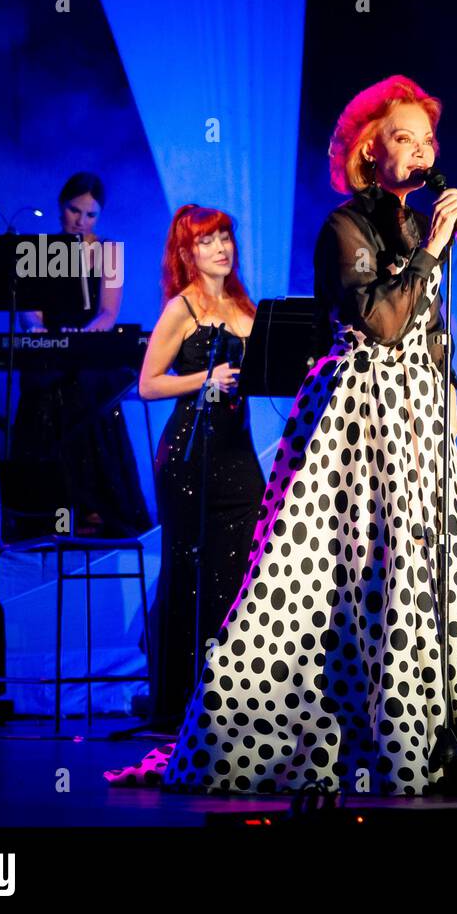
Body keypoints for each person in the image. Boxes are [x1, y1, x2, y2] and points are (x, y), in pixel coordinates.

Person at [106, 75, 457, 795]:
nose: (422, 150)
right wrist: (433, 249)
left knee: (424, 571)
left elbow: (426, 329)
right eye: (404, 138)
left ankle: (432, 728)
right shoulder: (344, 228)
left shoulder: (418, 229)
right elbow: (381, 325)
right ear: (369, 152)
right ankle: (330, 732)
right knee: (339, 572)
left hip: (417, 420)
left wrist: (442, 386)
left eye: (427, 139)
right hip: (355, 418)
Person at [136, 204, 265, 723]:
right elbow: (148, 384)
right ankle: (179, 704)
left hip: (238, 454)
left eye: (226, 238)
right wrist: (202, 381)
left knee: (242, 572)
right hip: (191, 455)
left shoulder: (246, 307)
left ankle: (234, 700)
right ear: (187, 252)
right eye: (208, 241)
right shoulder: (180, 310)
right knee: (191, 571)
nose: (221, 248)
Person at [11, 172, 151, 538]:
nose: (81, 221)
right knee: (41, 393)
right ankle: (41, 510)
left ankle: (93, 510)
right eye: (75, 211)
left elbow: (108, 313)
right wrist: (38, 328)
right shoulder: (38, 250)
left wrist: (82, 341)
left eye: (91, 215)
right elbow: (30, 308)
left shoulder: (109, 252)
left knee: (87, 397)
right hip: (47, 349)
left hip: (89, 351)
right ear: (62, 206)